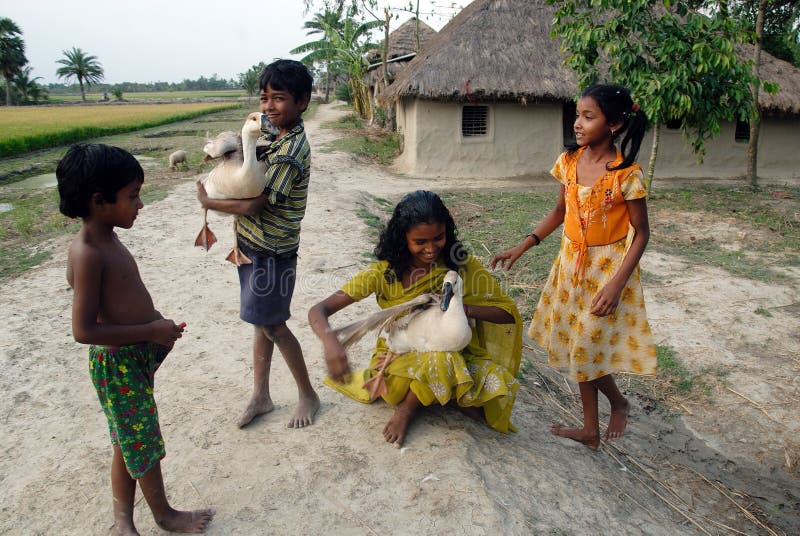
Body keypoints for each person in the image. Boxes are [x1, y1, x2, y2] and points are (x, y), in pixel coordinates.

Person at [58, 143, 214, 535]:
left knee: (126, 442)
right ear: (99, 201)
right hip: (118, 366)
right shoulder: (88, 253)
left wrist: (157, 328)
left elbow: (122, 300)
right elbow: (83, 330)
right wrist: (149, 331)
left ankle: (122, 523)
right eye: (133, 196)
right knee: (142, 443)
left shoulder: (107, 237)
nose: (140, 204)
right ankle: (165, 516)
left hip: (132, 359)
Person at [490, 83, 657, 450]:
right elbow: (559, 212)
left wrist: (616, 284)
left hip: (606, 272)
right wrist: (523, 246)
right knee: (580, 350)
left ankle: (616, 406)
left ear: (613, 124)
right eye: (577, 115)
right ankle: (592, 429)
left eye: (588, 116)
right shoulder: (568, 161)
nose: (578, 123)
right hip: (570, 268)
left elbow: (642, 234)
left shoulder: (627, 174)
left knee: (584, 348)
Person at [309, 190, 522, 447]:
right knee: (441, 360)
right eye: (420, 241)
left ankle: (441, 391)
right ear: (403, 238)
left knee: (478, 373)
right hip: (398, 353)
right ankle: (408, 409)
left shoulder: (459, 266)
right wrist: (331, 342)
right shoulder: (383, 274)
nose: (431, 249)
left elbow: (506, 314)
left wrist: (458, 309)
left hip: (450, 347)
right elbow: (318, 310)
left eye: (438, 238)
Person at [197, 59, 319, 429]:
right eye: (264, 98)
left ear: (302, 102)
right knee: (260, 323)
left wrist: (209, 203)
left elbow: (255, 205)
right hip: (251, 245)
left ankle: (308, 394)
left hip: (273, 253)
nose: (268, 106)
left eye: (278, 98)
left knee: (274, 325)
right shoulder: (273, 137)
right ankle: (261, 395)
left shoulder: (291, 151)